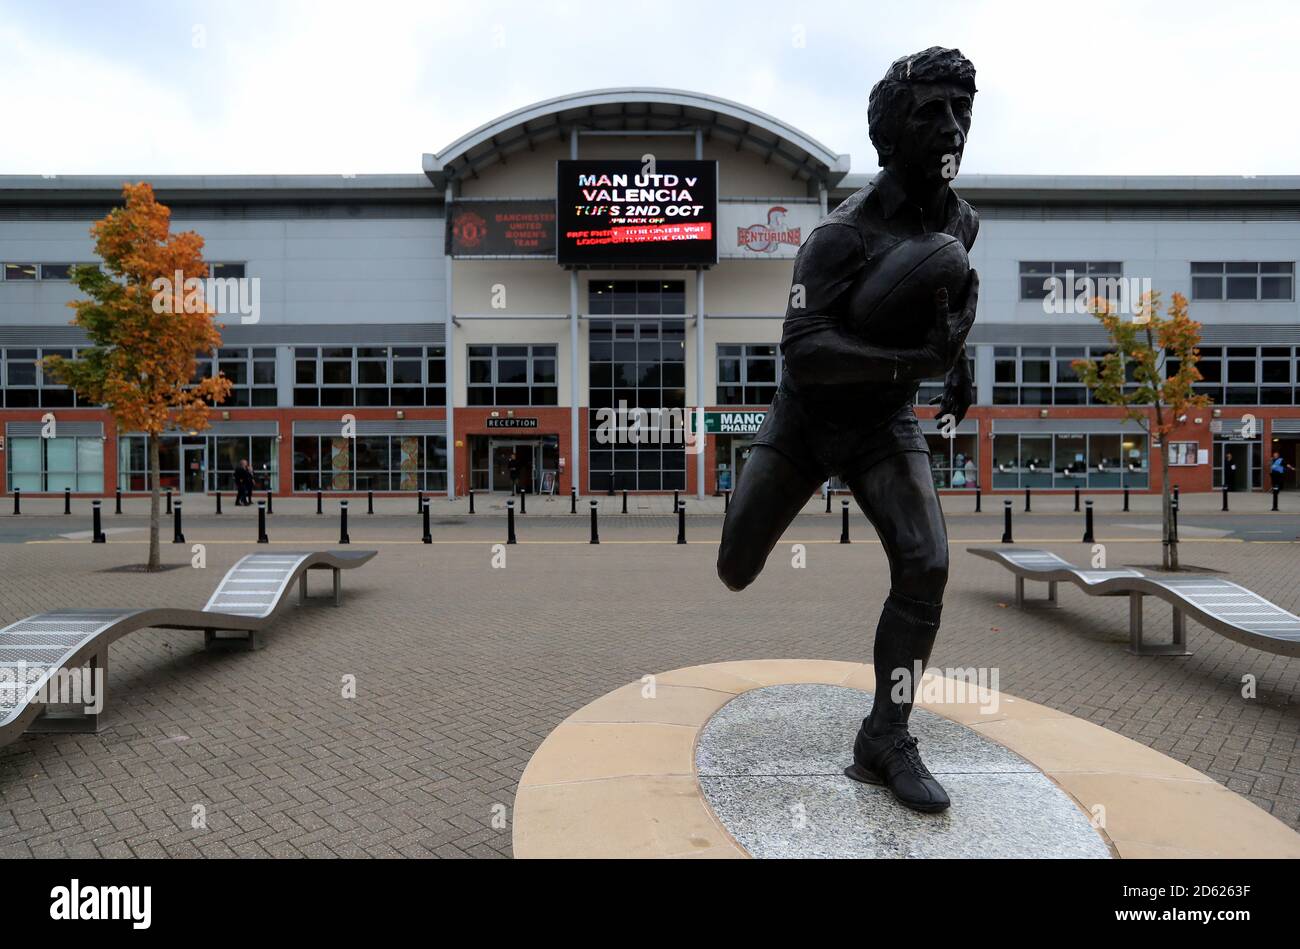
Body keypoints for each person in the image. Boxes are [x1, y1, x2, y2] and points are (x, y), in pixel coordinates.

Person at [718, 46, 980, 814]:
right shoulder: (840, 235)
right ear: (891, 134)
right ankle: (751, 500)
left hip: (881, 423)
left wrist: (957, 367)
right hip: (806, 418)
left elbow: (942, 307)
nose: (952, 127)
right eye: (931, 113)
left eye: (961, 111)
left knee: (927, 562)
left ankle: (885, 735)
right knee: (735, 567)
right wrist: (918, 362)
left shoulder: (959, 221)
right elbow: (804, 349)